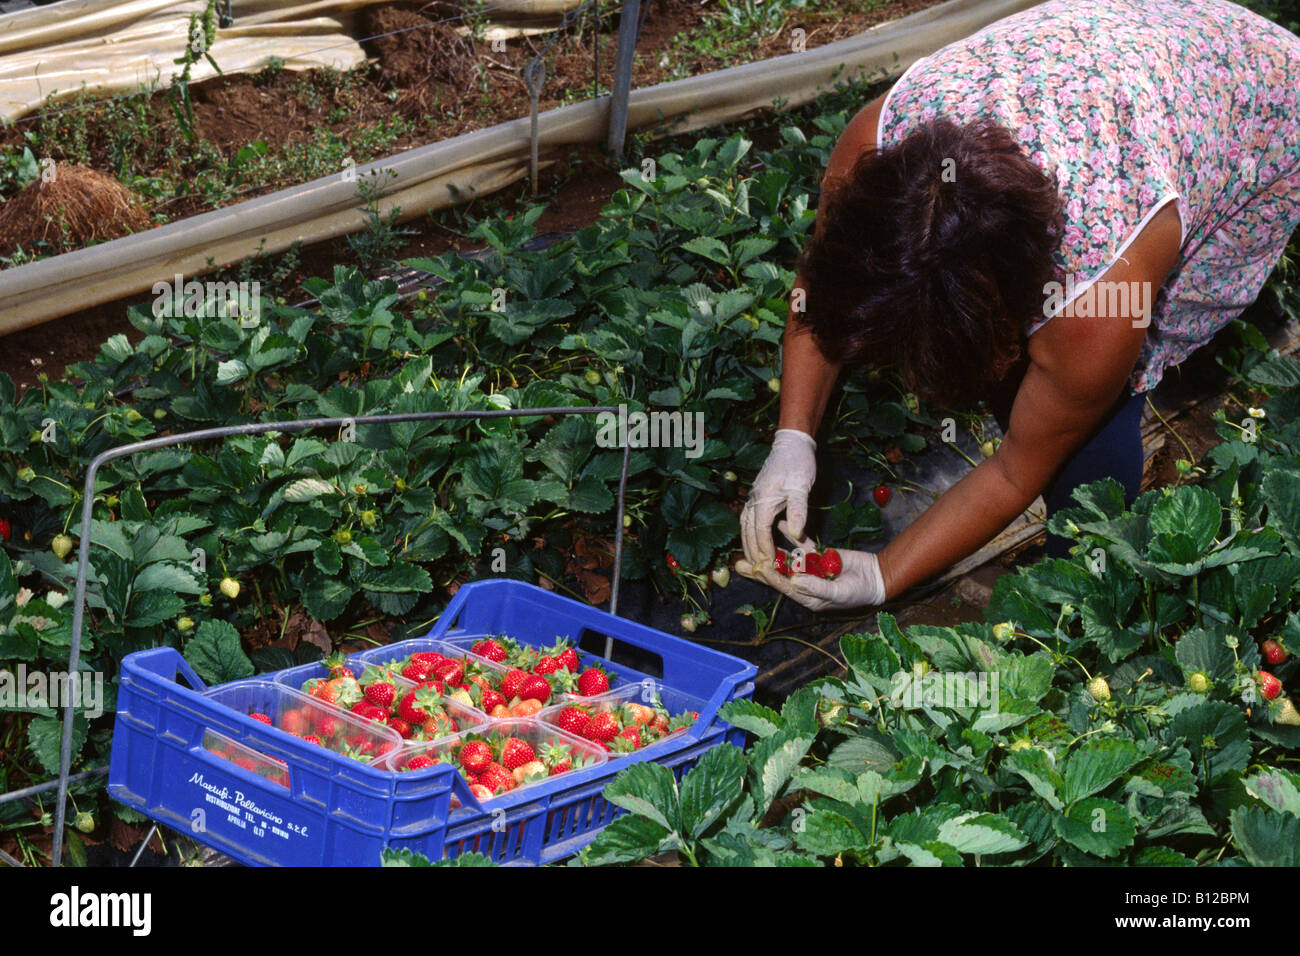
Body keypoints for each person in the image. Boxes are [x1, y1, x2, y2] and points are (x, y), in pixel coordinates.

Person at [736, 0, 1300, 610]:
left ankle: (1088, 586)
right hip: (1112, 50)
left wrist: (884, 574)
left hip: (1248, 93)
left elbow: (1015, 467)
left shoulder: (1103, 294)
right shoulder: (878, 150)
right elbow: (822, 287)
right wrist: (794, 436)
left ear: (1015, 312)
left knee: (1094, 413)